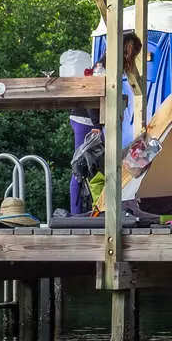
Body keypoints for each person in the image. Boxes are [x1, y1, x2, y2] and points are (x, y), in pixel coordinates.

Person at [69, 33, 144, 214]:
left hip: (95, 119)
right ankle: (77, 212)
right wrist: (96, 124)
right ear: (123, 48)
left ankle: (97, 208)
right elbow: (91, 96)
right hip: (86, 118)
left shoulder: (113, 67)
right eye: (130, 51)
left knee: (96, 166)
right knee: (81, 165)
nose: (131, 56)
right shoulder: (102, 67)